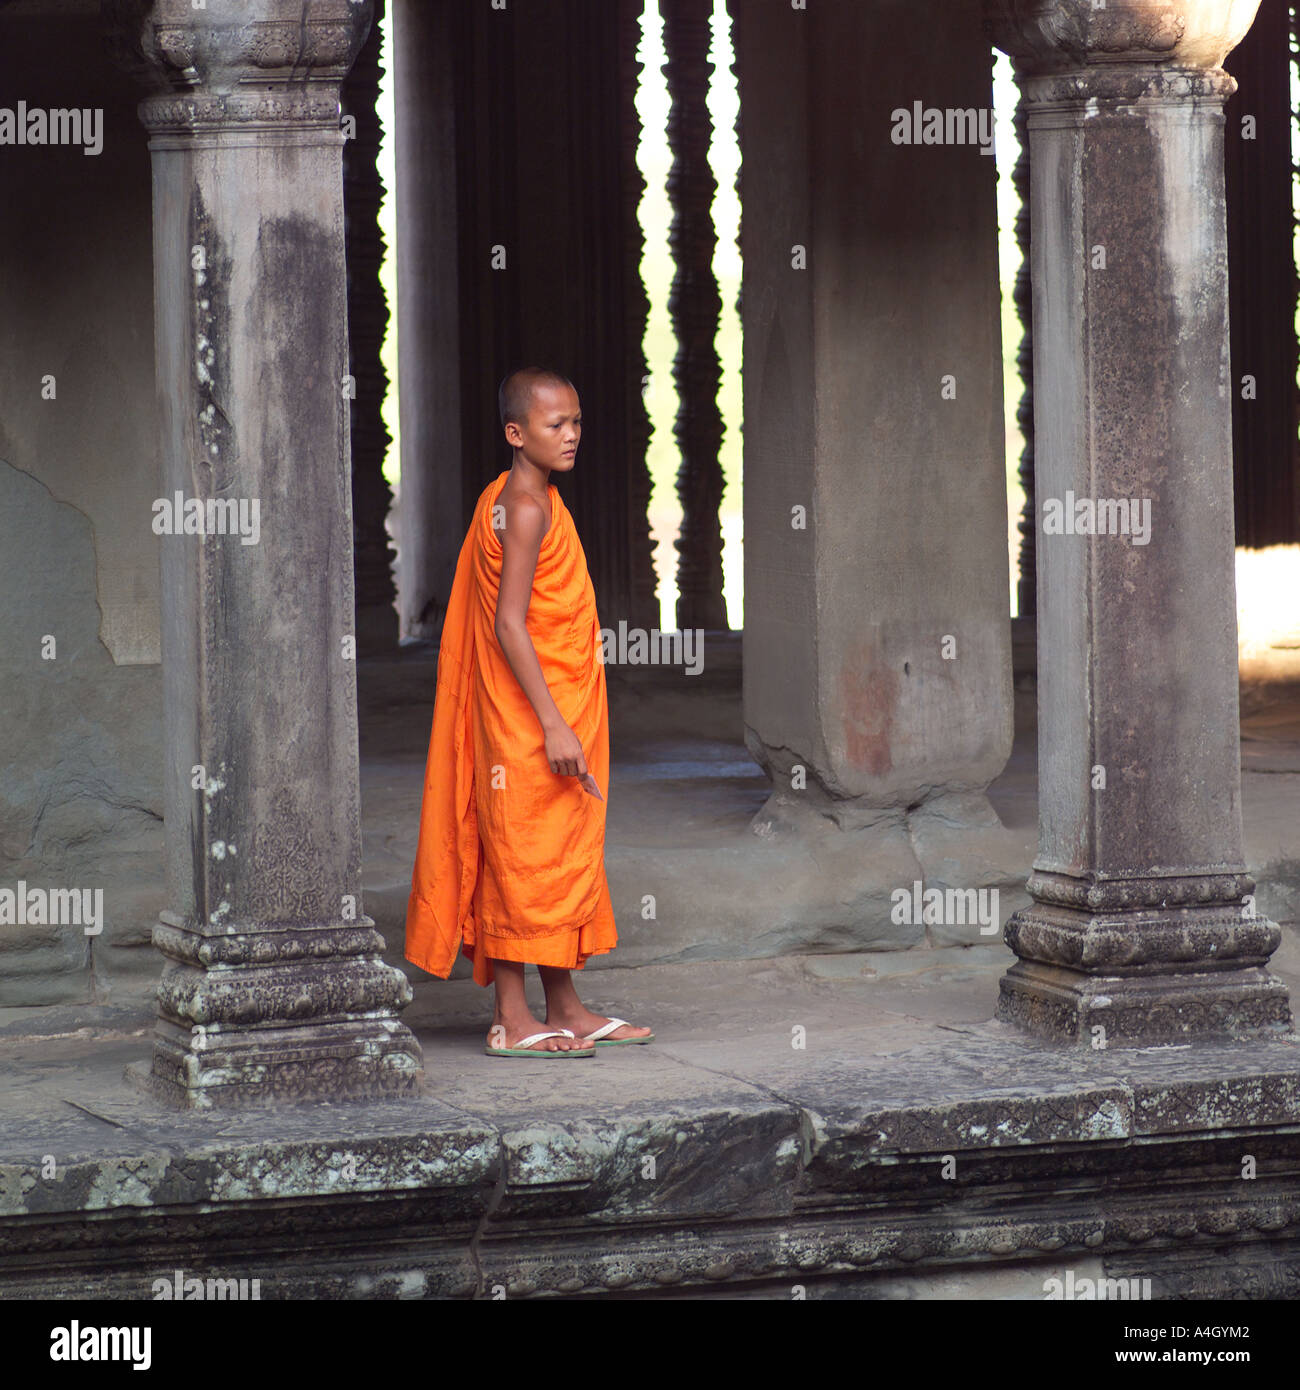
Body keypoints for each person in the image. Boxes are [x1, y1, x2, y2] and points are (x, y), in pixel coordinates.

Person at [405, 366, 653, 1058]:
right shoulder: (523, 505)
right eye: (555, 425)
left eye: (576, 422)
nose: (572, 435)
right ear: (517, 433)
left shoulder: (526, 494)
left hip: (547, 698)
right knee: (519, 854)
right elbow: (512, 624)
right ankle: (512, 1016)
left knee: (556, 848)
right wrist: (552, 723)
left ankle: (565, 1003)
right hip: (527, 713)